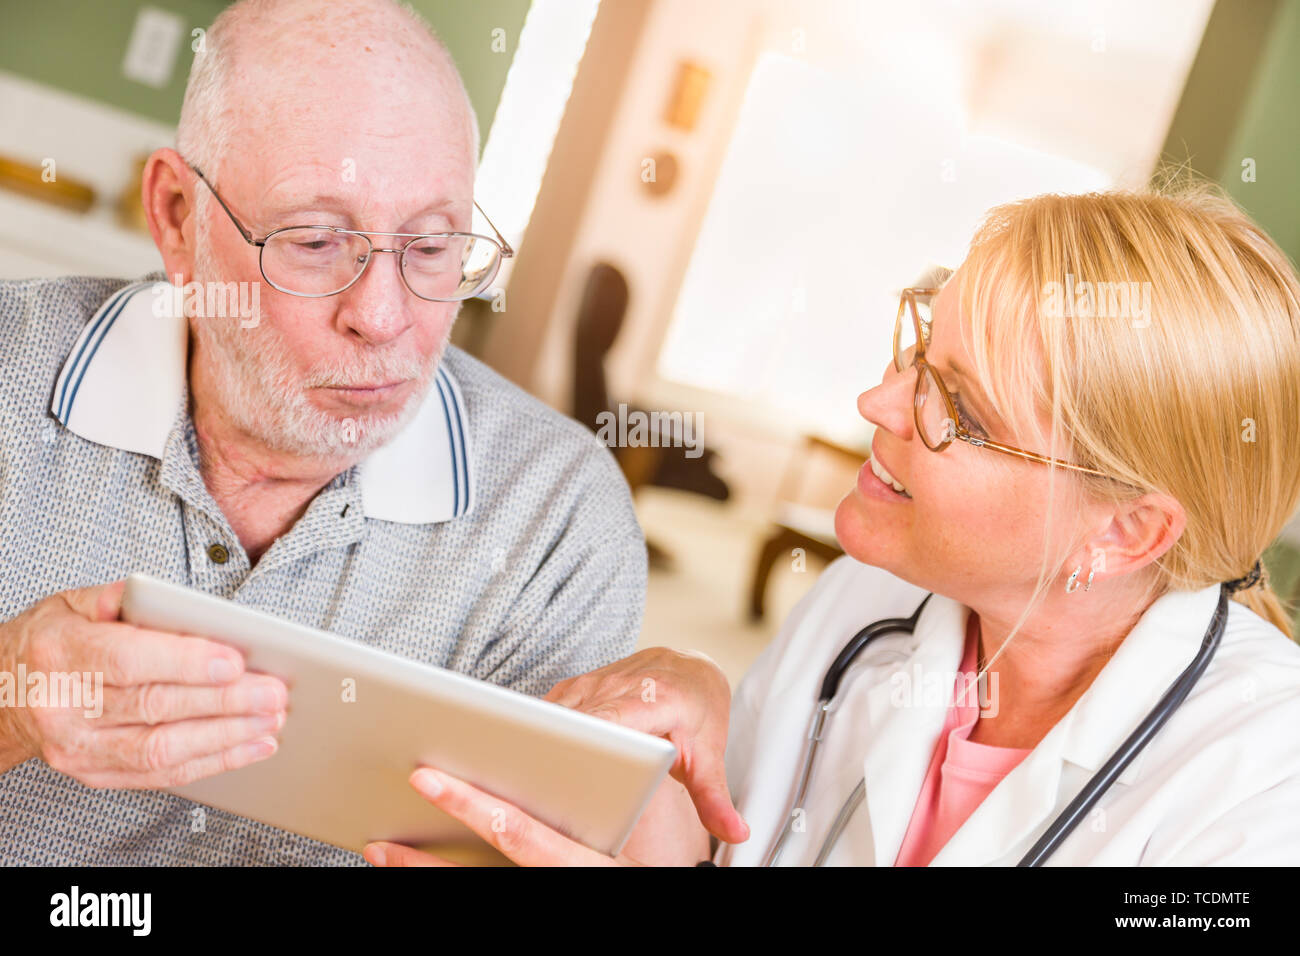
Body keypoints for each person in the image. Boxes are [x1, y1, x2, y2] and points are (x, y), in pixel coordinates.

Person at [366, 183, 1300, 866]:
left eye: (958, 407)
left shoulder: (1265, 785)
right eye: (918, 351)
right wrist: (659, 781)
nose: (877, 400)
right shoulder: (871, 595)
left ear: (1128, 532)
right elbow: (735, 849)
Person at [0, 0, 649, 865]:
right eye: (313, 241)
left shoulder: (557, 520)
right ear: (177, 217)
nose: (383, 318)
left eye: (433, 247)